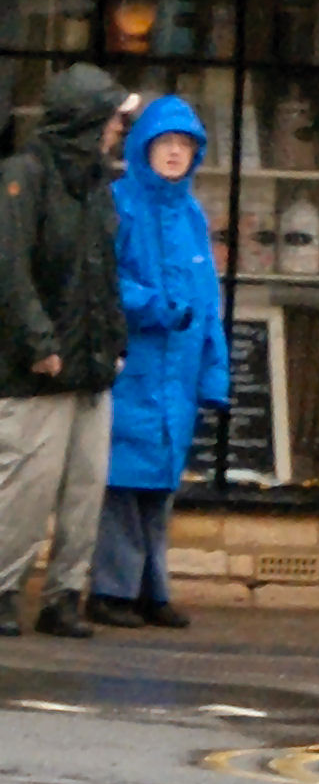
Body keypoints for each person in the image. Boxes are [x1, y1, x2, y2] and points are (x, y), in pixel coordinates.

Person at [0, 65, 136, 636]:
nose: (116, 130)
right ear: (84, 120)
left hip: (91, 365)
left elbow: (104, 274)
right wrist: (39, 343)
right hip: (38, 368)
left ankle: (64, 596)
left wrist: (115, 342)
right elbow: (10, 269)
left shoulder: (98, 186)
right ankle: (4, 589)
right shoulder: (22, 177)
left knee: (85, 491)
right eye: (110, 119)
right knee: (26, 489)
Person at [89, 93, 229, 627]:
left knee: (158, 489)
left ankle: (151, 589)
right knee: (123, 486)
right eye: (166, 143)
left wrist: (214, 373)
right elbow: (103, 281)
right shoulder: (120, 203)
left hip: (178, 375)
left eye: (185, 144)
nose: (175, 153)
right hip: (136, 366)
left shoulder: (190, 213)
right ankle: (111, 590)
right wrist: (155, 308)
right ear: (144, 146)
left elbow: (207, 300)